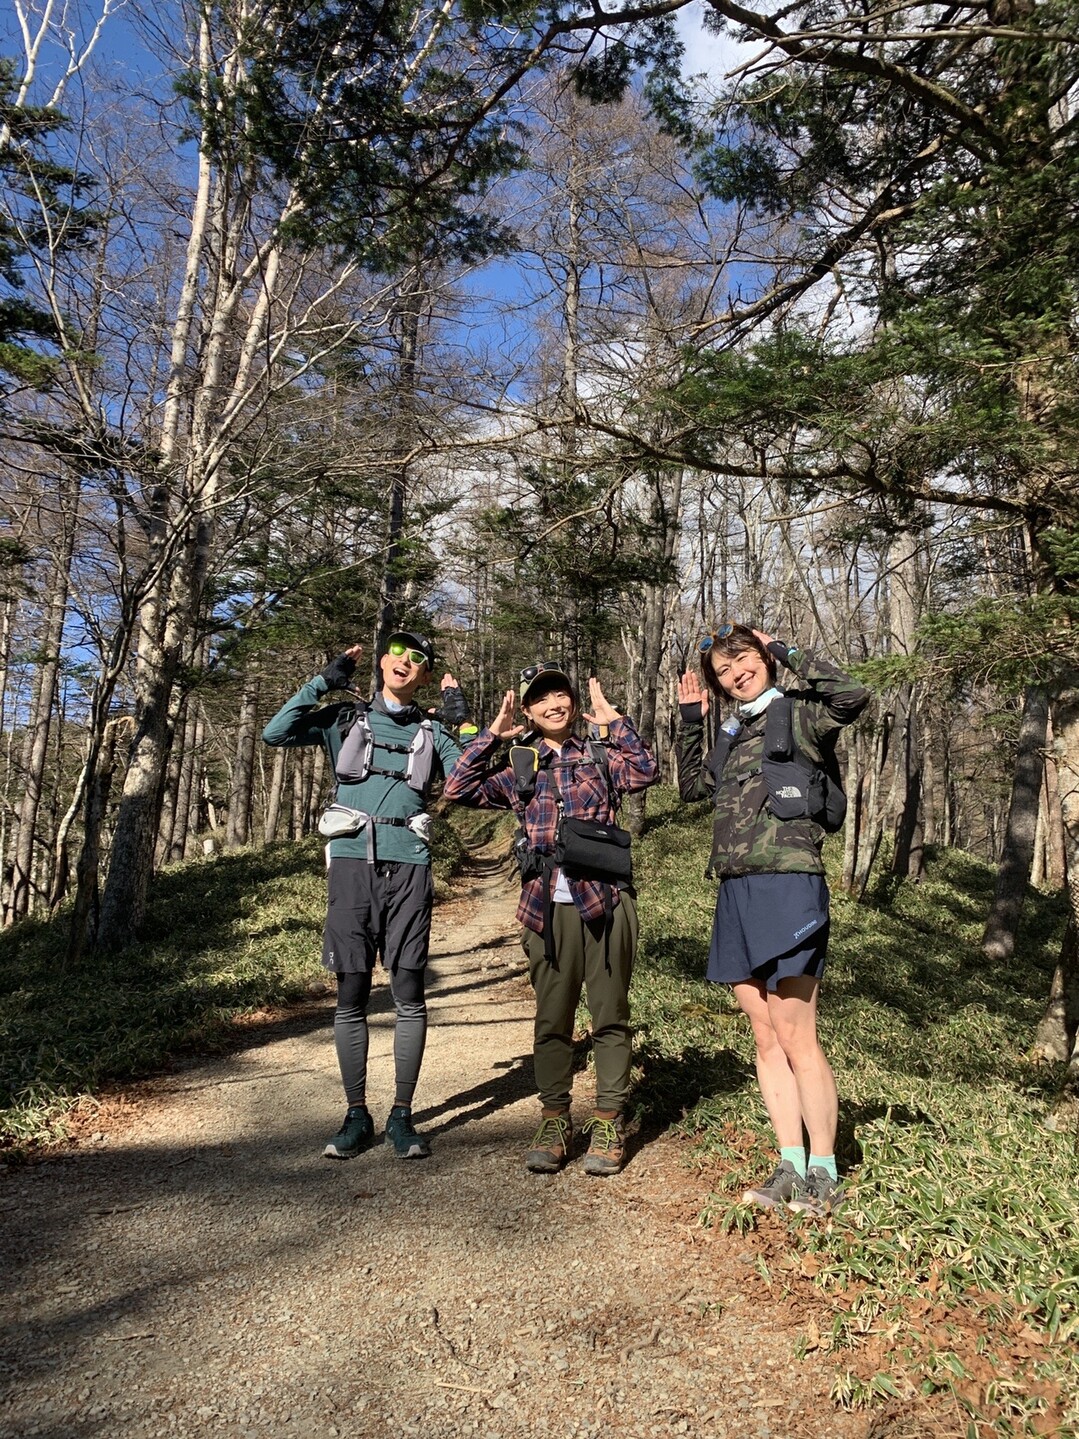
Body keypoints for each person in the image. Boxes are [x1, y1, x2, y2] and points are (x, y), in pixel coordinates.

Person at [676, 624, 869, 1215]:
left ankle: (824, 1170)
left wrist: (784, 645)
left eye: (743, 659)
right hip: (735, 891)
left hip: (788, 884)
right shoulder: (732, 733)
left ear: (763, 657)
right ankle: (789, 1161)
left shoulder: (803, 714)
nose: (735, 672)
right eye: (723, 669)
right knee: (765, 1036)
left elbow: (853, 694)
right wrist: (691, 721)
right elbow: (689, 788)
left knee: (795, 1033)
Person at [443, 664, 658, 1176]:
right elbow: (457, 789)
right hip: (543, 905)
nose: (555, 704)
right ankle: (556, 1117)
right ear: (530, 711)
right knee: (552, 1020)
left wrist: (617, 721)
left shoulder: (602, 755)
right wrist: (490, 736)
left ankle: (609, 1118)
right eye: (542, 699)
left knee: (609, 1015)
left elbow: (646, 770)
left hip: (605, 901)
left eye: (561, 694)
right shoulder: (521, 765)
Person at [262, 631, 466, 1161]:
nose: (405, 663)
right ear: (381, 663)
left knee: (408, 991)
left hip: (411, 864)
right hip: (352, 863)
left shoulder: (431, 730)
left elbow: (473, 769)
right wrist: (325, 681)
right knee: (351, 992)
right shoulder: (342, 718)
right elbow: (275, 733)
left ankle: (402, 1115)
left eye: (416, 659)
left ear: (423, 674)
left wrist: (461, 716)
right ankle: (356, 1114)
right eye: (397, 654)